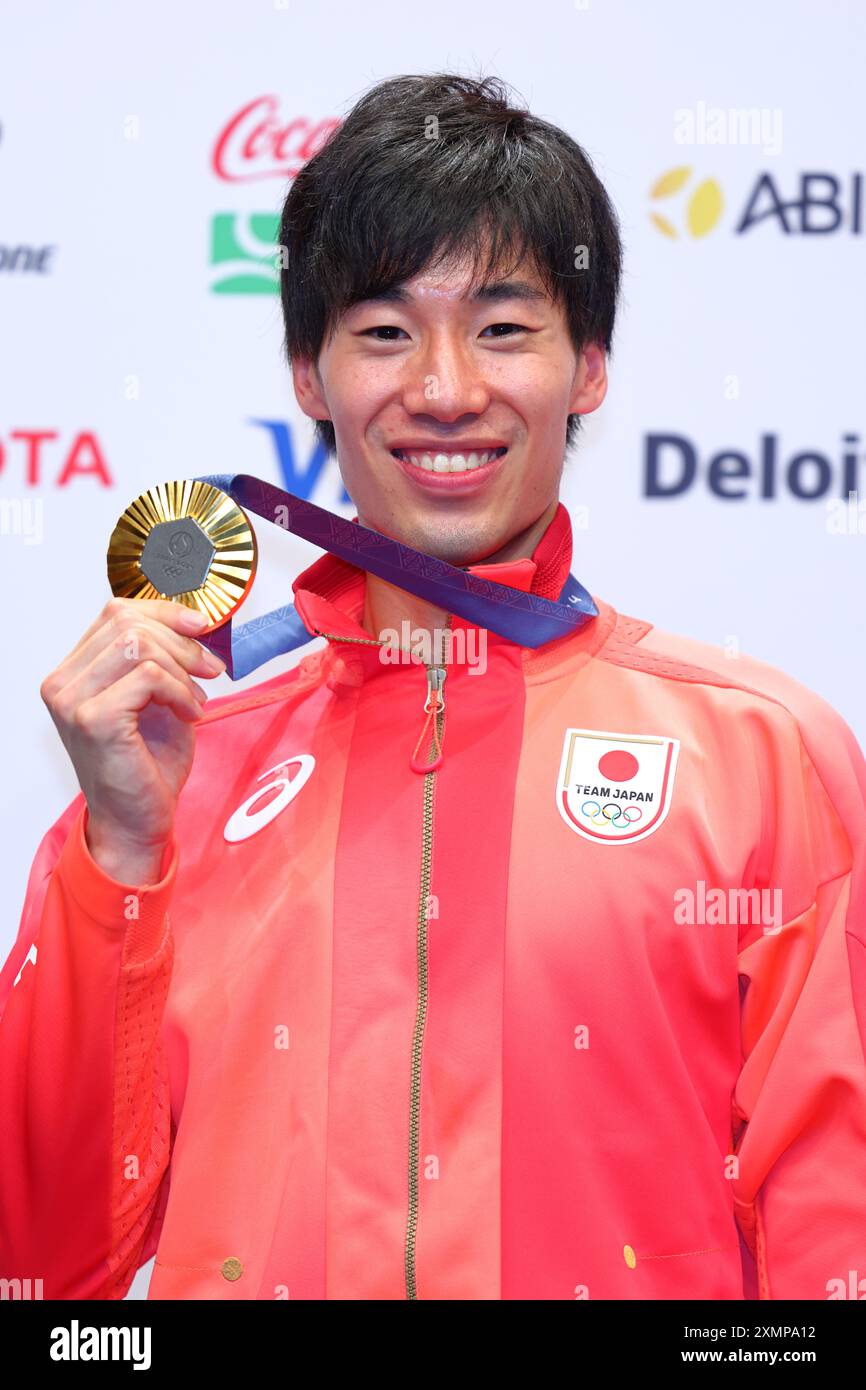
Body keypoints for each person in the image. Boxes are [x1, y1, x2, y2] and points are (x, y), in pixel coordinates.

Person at [2, 71, 865, 1302]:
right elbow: (44, 1267)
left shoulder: (760, 757)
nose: (447, 387)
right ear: (308, 375)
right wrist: (119, 856)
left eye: (505, 328)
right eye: (386, 333)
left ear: (591, 368)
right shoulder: (172, 772)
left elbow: (833, 1247)